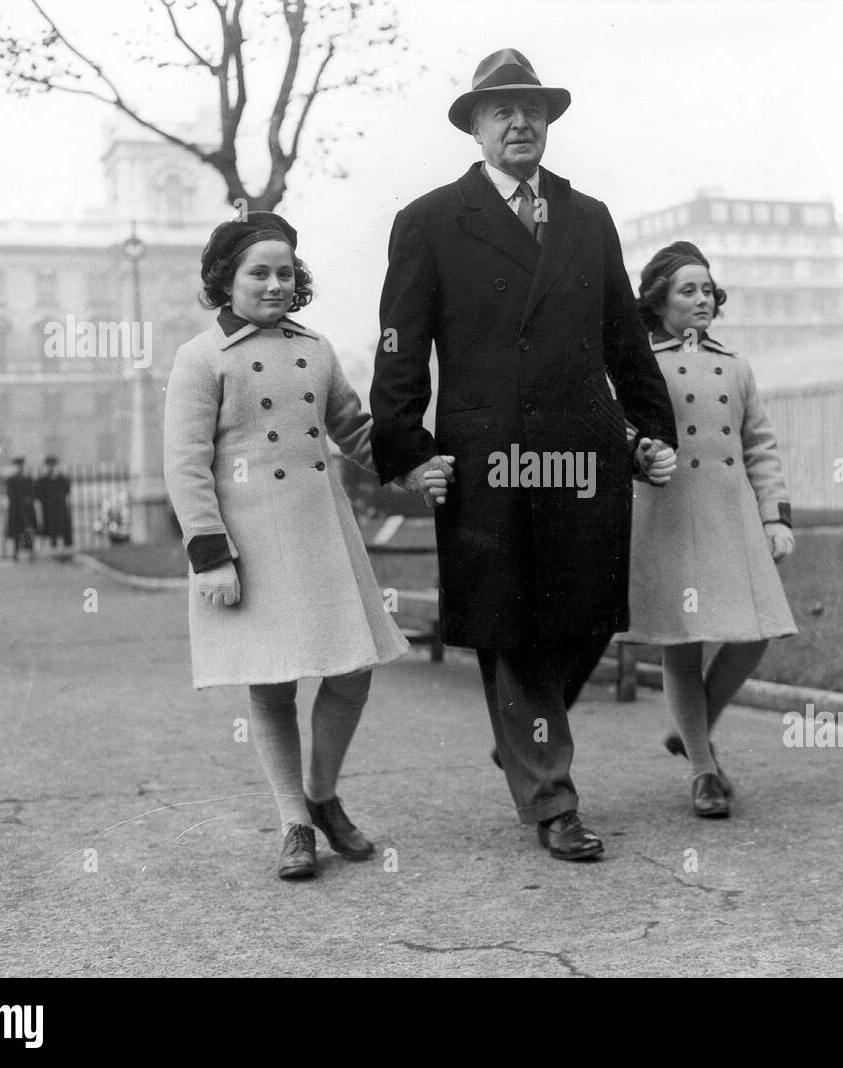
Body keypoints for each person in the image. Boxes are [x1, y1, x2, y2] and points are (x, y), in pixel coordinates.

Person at [370, 48, 678, 861]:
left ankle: (526, 742)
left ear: (549, 122)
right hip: (488, 454)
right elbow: (401, 346)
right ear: (474, 127)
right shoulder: (431, 220)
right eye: (501, 110)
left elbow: (624, 334)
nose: (520, 123)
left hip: (583, 448)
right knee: (514, 625)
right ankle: (553, 798)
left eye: (533, 109)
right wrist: (407, 448)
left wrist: (651, 429)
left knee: (583, 617)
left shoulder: (589, 217)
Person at [164, 211, 444, 880]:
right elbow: (184, 464)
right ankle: (294, 819)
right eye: (257, 272)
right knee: (272, 682)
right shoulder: (200, 358)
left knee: (351, 670)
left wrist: (411, 464)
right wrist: (210, 555)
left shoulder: (314, 348)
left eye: (285, 272)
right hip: (251, 542)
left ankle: (323, 793)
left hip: (320, 530)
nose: (273, 284)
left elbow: (354, 429)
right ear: (224, 281)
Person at [617, 241, 797, 818]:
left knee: (758, 631)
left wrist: (775, 517)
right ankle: (702, 768)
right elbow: (617, 426)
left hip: (731, 512)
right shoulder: (640, 363)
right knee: (684, 641)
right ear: (659, 302)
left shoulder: (736, 365)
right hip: (668, 511)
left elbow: (761, 448)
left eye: (706, 289)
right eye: (686, 290)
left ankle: (694, 727)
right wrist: (637, 450)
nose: (701, 300)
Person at [36, 455, 73, 556]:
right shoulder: (43, 480)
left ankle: (66, 548)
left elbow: (66, 490)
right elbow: (39, 494)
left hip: (60, 507)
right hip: (49, 508)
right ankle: (54, 547)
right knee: (52, 527)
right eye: (49, 465)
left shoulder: (62, 478)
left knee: (63, 527)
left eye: (53, 465)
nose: (51, 467)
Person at [4, 456, 38, 562]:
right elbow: (11, 495)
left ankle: (29, 550)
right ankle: (16, 551)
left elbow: (32, 493)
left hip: (27, 510)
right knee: (16, 532)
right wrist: (22, 500)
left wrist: (27, 500)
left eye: (21, 466)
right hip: (16, 510)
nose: (19, 468)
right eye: (17, 466)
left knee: (27, 531)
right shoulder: (11, 481)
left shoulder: (28, 480)